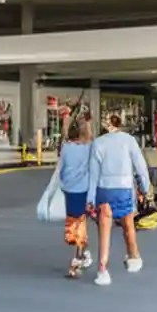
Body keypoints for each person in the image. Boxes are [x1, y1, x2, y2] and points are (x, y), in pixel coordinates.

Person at [86, 113, 151, 286]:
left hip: (104, 190)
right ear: (120, 124)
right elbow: (140, 167)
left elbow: (93, 175)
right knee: (128, 225)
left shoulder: (98, 143)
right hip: (124, 189)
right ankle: (133, 257)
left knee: (104, 231)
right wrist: (145, 188)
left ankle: (102, 270)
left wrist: (90, 199)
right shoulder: (129, 140)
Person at [54, 116, 95, 278]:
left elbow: (62, 168)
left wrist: (65, 122)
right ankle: (77, 259)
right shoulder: (89, 148)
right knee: (80, 223)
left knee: (73, 220)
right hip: (83, 189)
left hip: (69, 190)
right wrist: (89, 124)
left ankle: (81, 252)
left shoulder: (66, 148)